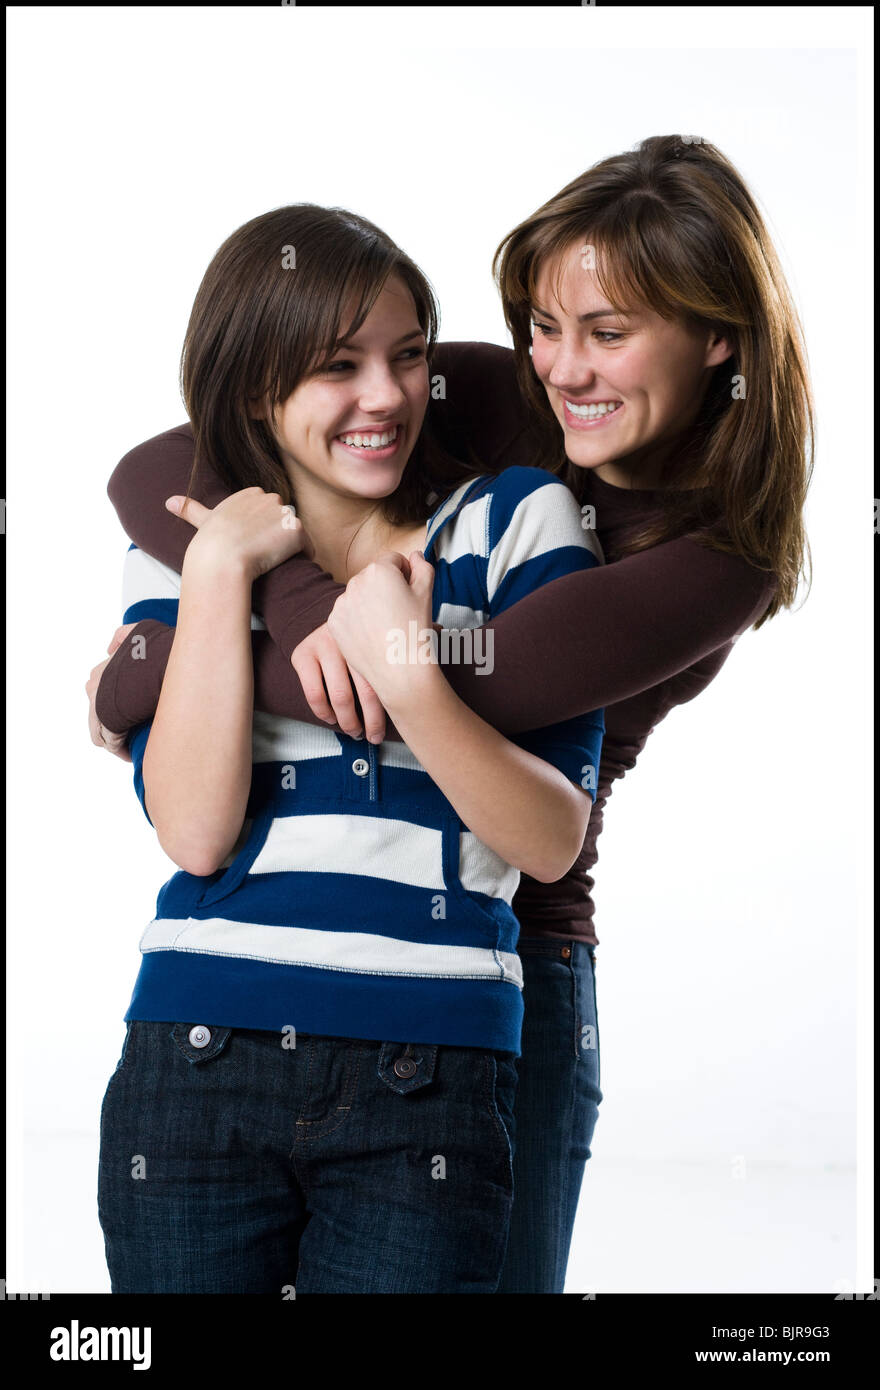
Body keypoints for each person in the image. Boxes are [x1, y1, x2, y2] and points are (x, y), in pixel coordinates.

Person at [89, 136, 811, 1292]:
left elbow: (485, 675)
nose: (563, 371)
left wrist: (159, 672)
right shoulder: (478, 391)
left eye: (609, 334)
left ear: (718, 337)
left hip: (514, 943)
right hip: (248, 975)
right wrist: (223, 610)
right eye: (542, 324)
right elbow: (168, 460)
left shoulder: (721, 559)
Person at [92, 202, 605, 1294]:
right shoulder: (182, 547)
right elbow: (193, 831)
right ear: (251, 388)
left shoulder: (512, 522)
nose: (387, 396)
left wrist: (410, 674)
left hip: (434, 1068)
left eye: (408, 355)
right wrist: (225, 572)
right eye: (337, 365)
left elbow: (551, 837)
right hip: (195, 1053)